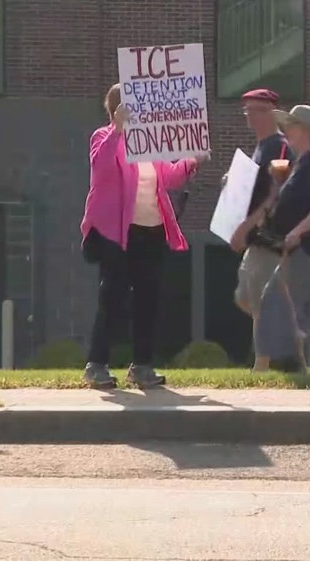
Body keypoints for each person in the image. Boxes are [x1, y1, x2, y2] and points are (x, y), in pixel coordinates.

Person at [80, 83, 203, 389]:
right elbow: (101, 167)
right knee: (113, 296)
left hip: (152, 230)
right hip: (119, 232)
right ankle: (96, 365)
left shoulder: (148, 143)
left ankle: (142, 366)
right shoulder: (104, 136)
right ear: (119, 108)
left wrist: (192, 160)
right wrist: (117, 130)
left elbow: (169, 176)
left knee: (148, 298)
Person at [251, 105, 310, 374]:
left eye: (289, 126)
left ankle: (284, 362)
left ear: (304, 131)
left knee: (275, 298)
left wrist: (297, 231)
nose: (285, 130)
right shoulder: (302, 162)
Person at [229, 89, 294, 318]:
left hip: (270, 240)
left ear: (270, 113)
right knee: (245, 298)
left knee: (260, 306)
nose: (248, 115)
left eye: (253, 110)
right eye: (247, 110)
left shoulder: (280, 147)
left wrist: (245, 227)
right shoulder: (262, 147)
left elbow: (275, 194)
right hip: (257, 239)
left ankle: (279, 347)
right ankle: (287, 339)